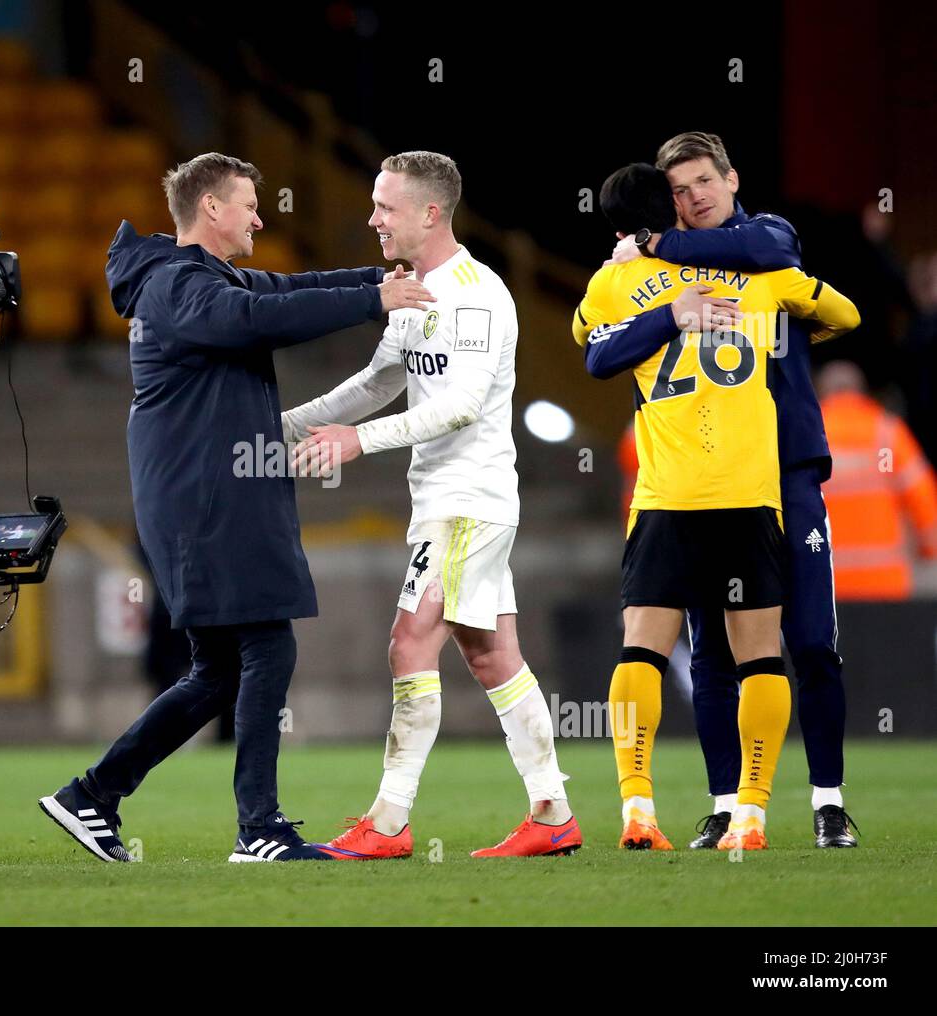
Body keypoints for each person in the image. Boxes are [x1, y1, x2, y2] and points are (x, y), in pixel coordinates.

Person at [38, 153, 433, 863]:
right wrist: (375, 302)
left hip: (213, 494)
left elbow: (289, 289)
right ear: (212, 208)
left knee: (217, 670)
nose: (259, 216)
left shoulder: (200, 280)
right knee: (266, 645)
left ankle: (94, 795)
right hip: (207, 500)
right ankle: (260, 828)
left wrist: (384, 281)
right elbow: (251, 317)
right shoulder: (174, 284)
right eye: (249, 204)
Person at [286, 151, 582, 859]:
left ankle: (389, 821)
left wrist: (360, 442)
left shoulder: (476, 294)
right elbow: (374, 382)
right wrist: (280, 424)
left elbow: (462, 405)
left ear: (430, 212)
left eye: (385, 206)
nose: (372, 217)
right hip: (448, 500)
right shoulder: (411, 290)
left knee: (409, 641)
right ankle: (552, 812)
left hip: (468, 500)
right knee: (491, 654)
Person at [574, 163, 860, 851]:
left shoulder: (615, 282)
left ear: (621, 226)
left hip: (668, 496)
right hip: (749, 494)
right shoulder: (760, 278)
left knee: (645, 649)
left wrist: (658, 305)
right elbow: (846, 314)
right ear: (674, 207)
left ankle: (638, 807)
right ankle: (753, 818)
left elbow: (591, 349)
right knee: (764, 657)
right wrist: (787, 334)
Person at [817, 361, 937, 599]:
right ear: (861, 391)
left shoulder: (808, 437)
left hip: (824, 585)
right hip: (886, 582)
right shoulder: (887, 433)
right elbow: (924, 501)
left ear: (821, 392)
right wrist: (929, 553)